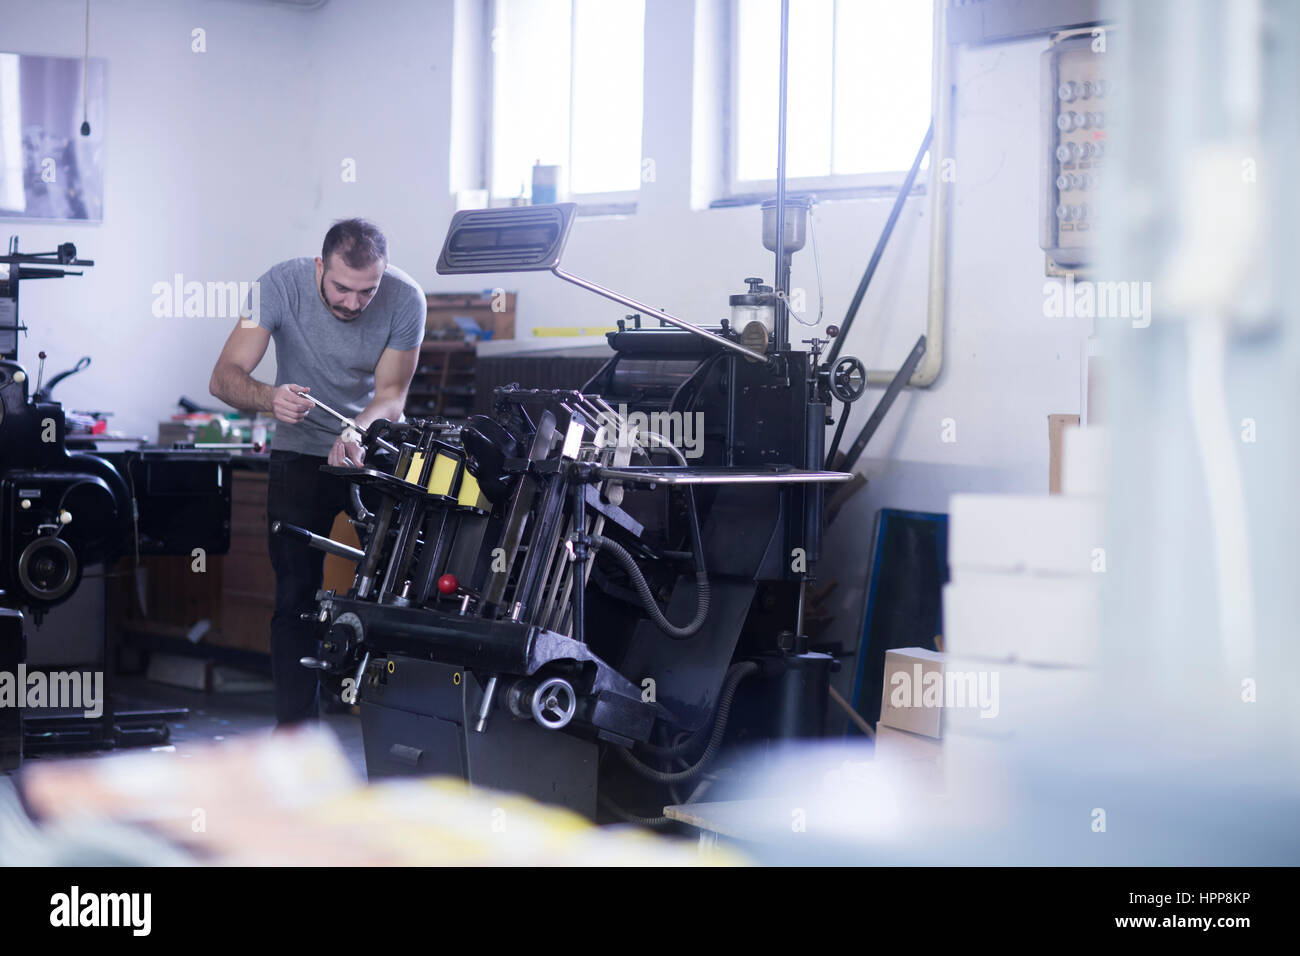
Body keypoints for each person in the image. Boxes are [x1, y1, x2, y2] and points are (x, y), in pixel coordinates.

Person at [209, 218, 424, 724]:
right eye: (342, 288)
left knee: (394, 591)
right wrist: (270, 397)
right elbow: (223, 378)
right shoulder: (279, 284)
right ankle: (296, 734)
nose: (354, 303)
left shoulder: (405, 298)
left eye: (367, 291)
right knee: (295, 597)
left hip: (370, 450)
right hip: (298, 453)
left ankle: (392, 728)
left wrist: (355, 432)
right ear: (318, 267)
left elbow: (392, 395)